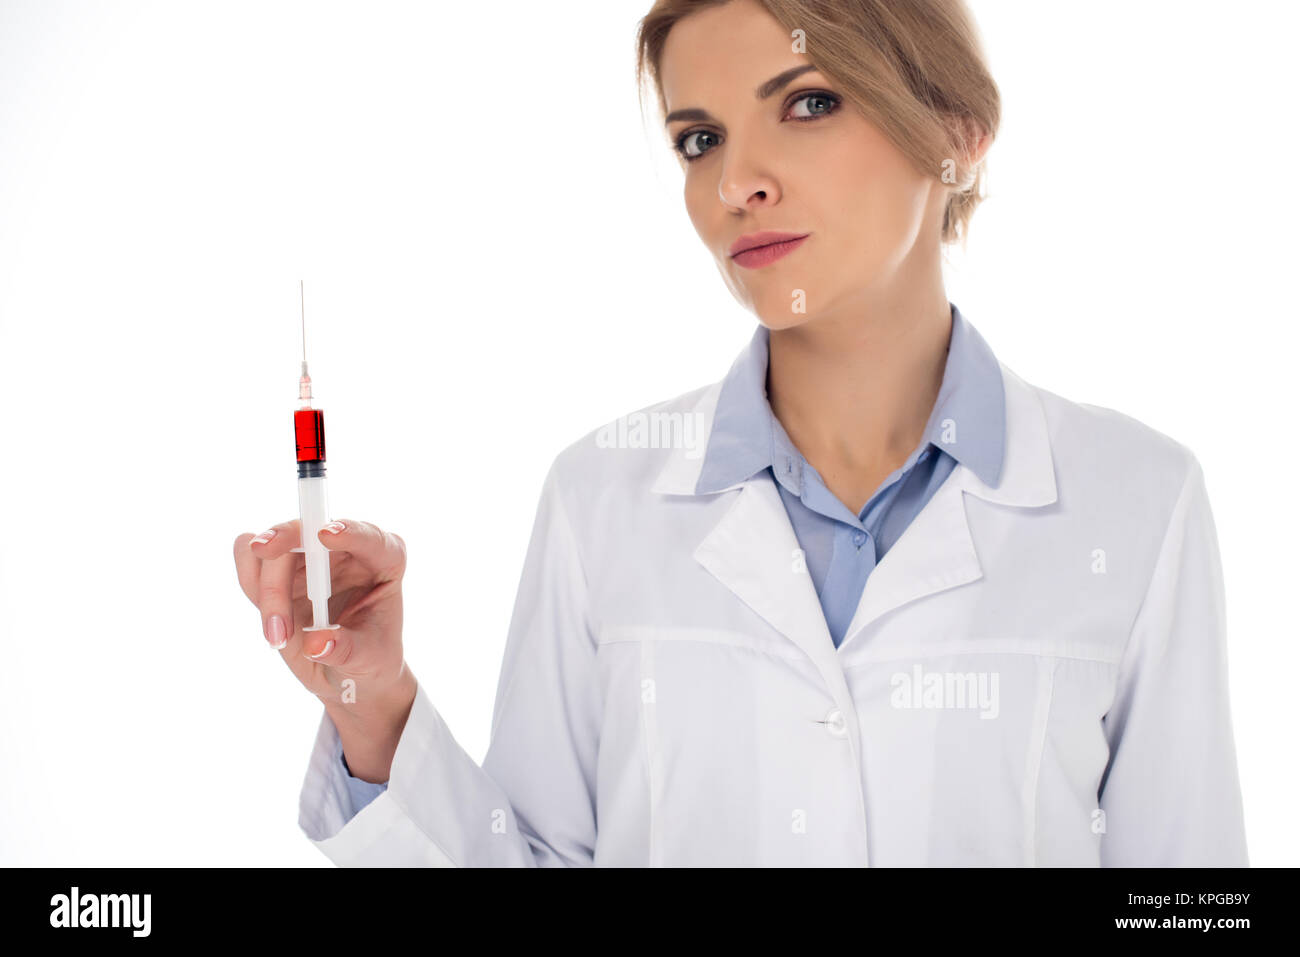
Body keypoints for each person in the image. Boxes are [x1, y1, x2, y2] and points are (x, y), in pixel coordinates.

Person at [232, 0, 1249, 866]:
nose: (735, 183)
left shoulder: (1135, 499)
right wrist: (375, 705)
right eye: (698, 138)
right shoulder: (601, 501)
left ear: (956, 127)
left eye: (807, 104)